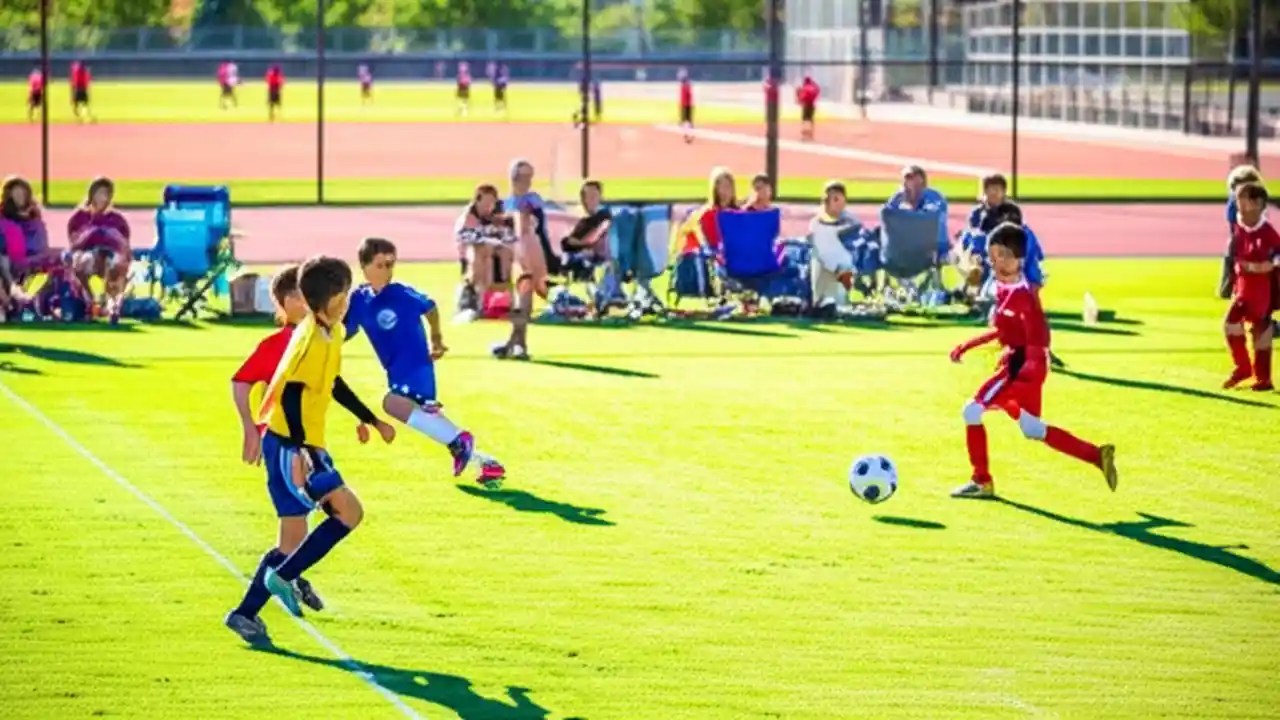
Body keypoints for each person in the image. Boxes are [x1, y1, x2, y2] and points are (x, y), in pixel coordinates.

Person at [247, 256, 396, 625]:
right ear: (325, 300)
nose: (348, 299)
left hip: (305, 443)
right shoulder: (311, 336)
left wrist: (370, 418)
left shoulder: (334, 331)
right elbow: (293, 394)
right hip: (290, 445)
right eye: (343, 294)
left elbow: (332, 383)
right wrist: (303, 449)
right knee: (348, 513)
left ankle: (247, 612)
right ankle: (284, 577)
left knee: (293, 541)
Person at [948, 223, 1118, 499]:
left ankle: (982, 481)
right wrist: (966, 346)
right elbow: (1004, 332)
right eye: (993, 256)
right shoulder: (1007, 291)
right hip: (1023, 366)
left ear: (1019, 260)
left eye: (1004, 256)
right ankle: (1097, 455)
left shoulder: (1024, 297)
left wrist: (1024, 369)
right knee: (1032, 428)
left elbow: (1040, 337)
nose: (997, 263)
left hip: (1021, 366)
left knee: (972, 411)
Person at [345, 238, 506, 486]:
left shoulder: (400, 293)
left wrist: (437, 339)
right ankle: (484, 463)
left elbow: (430, 306)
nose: (387, 271)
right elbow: (346, 330)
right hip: (395, 370)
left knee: (392, 404)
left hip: (416, 367)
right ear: (364, 267)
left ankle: (461, 443)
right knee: (431, 420)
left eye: (391, 264)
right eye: (380, 265)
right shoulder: (359, 299)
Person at [224, 266, 326, 641]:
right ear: (283, 303)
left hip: (308, 447)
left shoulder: (314, 338)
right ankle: (246, 612)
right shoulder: (276, 345)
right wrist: (250, 427)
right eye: (298, 296)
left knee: (312, 520)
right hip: (284, 447)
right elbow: (240, 382)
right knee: (296, 530)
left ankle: (293, 575)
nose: (306, 302)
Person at [493, 159, 555, 360]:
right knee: (519, 299)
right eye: (521, 177)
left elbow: (539, 229)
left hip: (529, 251)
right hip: (511, 254)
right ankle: (516, 343)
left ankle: (518, 344)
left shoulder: (533, 201)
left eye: (529, 177)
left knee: (524, 297)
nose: (525, 181)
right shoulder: (502, 204)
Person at [1222, 182, 1279, 391]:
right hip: (1243, 289)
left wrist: (1266, 265)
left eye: (1242, 199)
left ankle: (1263, 379)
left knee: (1260, 330)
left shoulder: (1267, 231)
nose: (1238, 204)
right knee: (1230, 324)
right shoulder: (1240, 226)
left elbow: (1277, 254)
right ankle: (1243, 367)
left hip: (1260, 291)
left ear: (1257, 203)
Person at [66, 177, 130, 323]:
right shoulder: (79, 217)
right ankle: (89, 300)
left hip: (111, 256)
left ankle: (112, 305)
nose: (103, 198)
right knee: (82, 261)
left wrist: (110, 237)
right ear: (91, 195)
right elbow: (74, 244)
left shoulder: (117, 220)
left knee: (114, 264)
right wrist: (92, 233)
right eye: (99, 193)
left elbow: (124, 246)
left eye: (106, 194)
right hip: (88, 255)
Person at [455, 183, 515, 321]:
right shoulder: (468, 218)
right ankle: (480, 299)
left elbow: (509, 236)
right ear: (478, 200)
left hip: (496, 258)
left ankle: (506, 299)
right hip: (472, 260)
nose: (489, 206)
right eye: (486, 202)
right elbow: (464, 238)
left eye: (492, 202)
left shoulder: (496, 217)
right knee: (482, 251)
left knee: (506, 252)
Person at [809, 181, 860, 316]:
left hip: (844, 270)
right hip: (825, 268)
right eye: (828, 198)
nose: (831, 202)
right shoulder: (816, 223)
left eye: (836, 198)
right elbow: (822, 251)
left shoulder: (852, 223)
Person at [1219, 165, 1265, 300]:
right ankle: (1230, 289)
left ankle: (1234, 289)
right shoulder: (1235, 202)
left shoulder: (1250, 200)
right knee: (1234, 263)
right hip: (1240, 239)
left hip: (1246, 239)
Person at [796, 74, 821, 141]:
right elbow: (818, 90)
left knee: (804, 120)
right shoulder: (813, 87)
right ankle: (811, 135)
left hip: (806, 105)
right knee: (811, 120)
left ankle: (804, 136)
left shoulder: (804, 88)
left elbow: (801, 96)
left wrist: (800, 101)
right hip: (812, 105)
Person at [678, 69, 695, 143]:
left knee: (686, 121)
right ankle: (688, 134)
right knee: (687, 121)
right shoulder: (687, 84)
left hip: (685, 105)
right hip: (687, 104)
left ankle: (687, 135)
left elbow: (688, 95)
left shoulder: (685, 85)